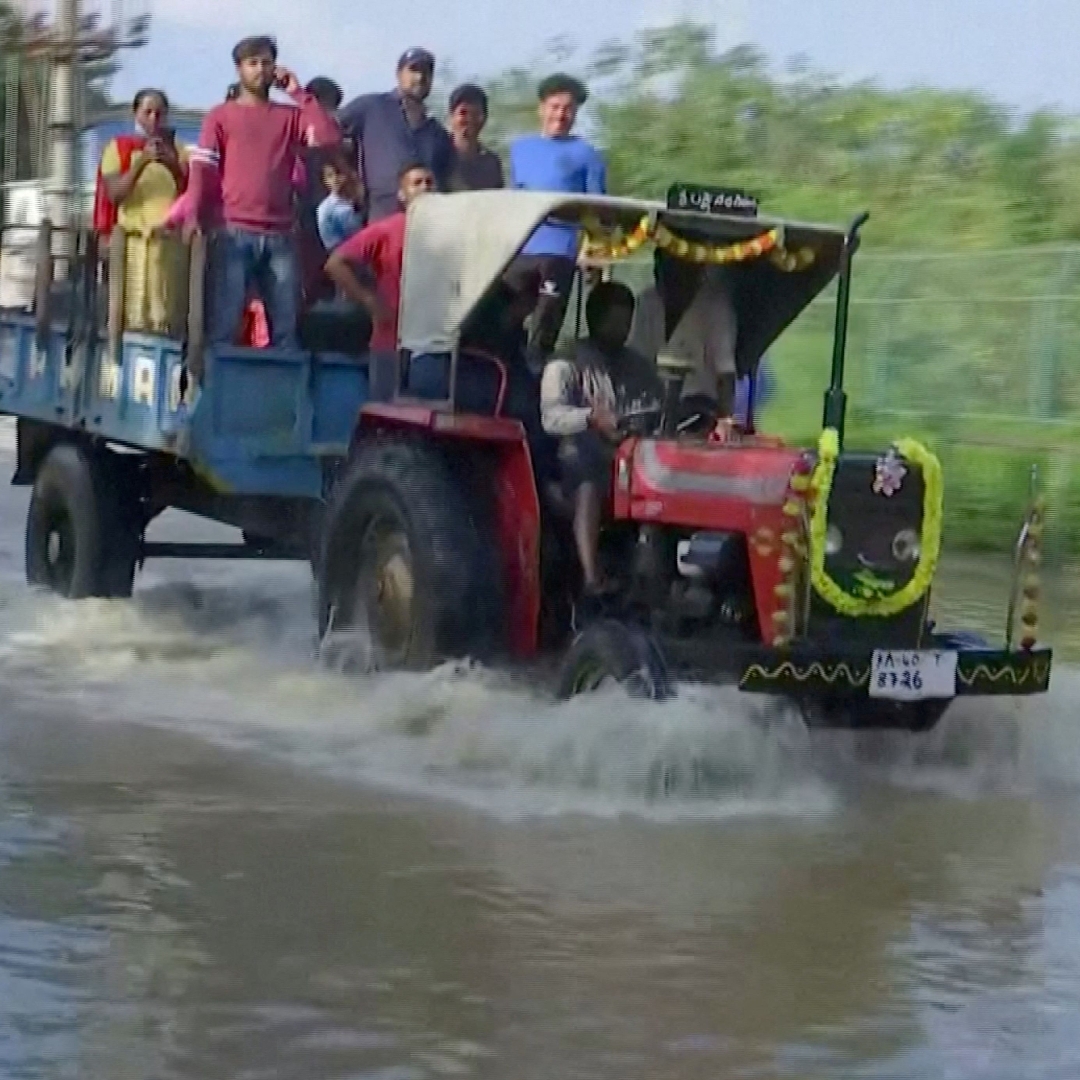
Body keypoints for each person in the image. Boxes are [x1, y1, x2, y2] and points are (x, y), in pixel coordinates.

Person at [187, 35, 341, 350]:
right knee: (224, 326)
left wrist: (298, 92)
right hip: (233, 231)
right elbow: (202, 169)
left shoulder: (289, 117)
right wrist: (193, 215)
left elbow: (328, 139)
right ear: (239, 69)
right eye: (252, 63)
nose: (260, 69)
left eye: (267, 62)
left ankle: (280, 396)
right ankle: (218, 394)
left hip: (280, 233)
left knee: (285, 330)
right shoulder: (221, 115)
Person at [540, 282, 663, 599]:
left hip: (629, 455)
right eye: (615, 321)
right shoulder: (565, 363)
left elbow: (655, 409)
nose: (622, 330)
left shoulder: (640, 367)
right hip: (569, 458)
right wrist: (591, 419)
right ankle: (591, 577)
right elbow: (551, 417)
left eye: (627, 322)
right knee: (587, 468)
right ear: (594, 318)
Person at [508, 73, 606, 362]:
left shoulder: (588, 154)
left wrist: (594, 255)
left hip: (560, 251)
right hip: (523, 249)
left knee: (546, 320)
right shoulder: (521, 149)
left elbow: (598, 210)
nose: (561, 114)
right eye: (555, 106)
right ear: (542, 109)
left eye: (568, 109)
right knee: (504, 313)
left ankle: (539, 370)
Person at [324, 162, 435, 398]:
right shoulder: (386, 230)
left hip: (433, 344)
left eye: (430, 182)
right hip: (389, 340)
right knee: (385, 419)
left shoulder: (449, 233)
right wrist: (368, 300)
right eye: (417, 183)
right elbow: (336, 264)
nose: (425, 188)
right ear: (402, 194)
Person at [94, 88, 189, 336]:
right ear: (135, 114)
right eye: (148, 112)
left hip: (169, 246)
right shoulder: (119, 148)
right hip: (132, 244)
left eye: (160, 114)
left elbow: (189, 192)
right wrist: (141, 161)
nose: (154, 119)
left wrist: (171, 163)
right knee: (130, 314)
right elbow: (115, 194)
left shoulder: (179, 151)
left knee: (167, 315)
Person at [629, 249, 738, 437]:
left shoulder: (713, 305)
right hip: (653, 405)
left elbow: (725, 371)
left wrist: (725, 419)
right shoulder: (647, 301)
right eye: (663, 267)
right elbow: (637, 359)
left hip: (698, 406)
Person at [338, 48, 453, 223]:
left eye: (426, 72)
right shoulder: (371, 107)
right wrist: (347, 175)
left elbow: (446, 181)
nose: (420, 77)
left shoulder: (437, 132)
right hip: (379, 219)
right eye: (414, 70)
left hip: (426, 228)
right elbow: (326, 132)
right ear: (399, 74)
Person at [445, 83, 504, 191]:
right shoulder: (438, 157)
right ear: (451, 117)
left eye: (476, 114)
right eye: (463, 113)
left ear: (484, 119)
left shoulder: (491, 163)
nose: (469, 119)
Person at [316, 155, 364, 252]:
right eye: (330, 176)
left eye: (339, 174)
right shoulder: (325, 208)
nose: (335, 179)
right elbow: (330, 242)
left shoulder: (357, 197)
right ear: (325, 181)